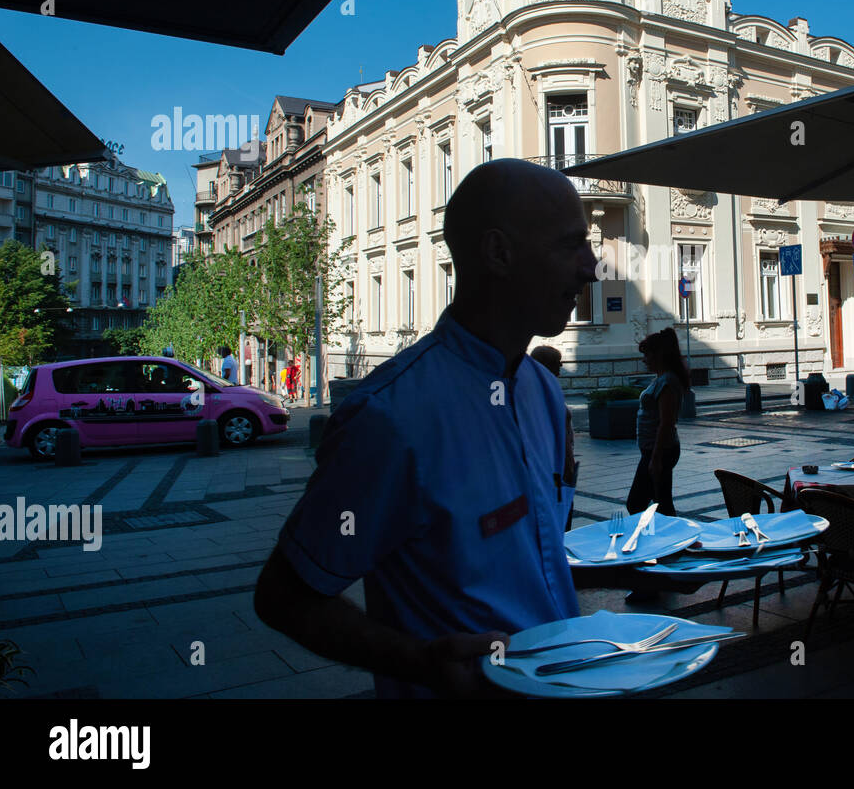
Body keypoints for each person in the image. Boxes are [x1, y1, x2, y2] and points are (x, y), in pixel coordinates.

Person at [253, 160, 597, 698]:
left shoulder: (543, 391)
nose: (591, 268)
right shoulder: (390, 419)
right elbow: (284, 595)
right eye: (571, 244)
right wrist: (418, 661)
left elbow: (533, 559)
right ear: (499, 253)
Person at [627, 328, 689, 518]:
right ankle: (668, 533)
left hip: (660, 450)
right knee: (661, 502)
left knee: (638, 502)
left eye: (647, 355)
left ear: (658, 355)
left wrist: (656, 458)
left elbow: (666, 422)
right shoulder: (662, 379)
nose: (644, 360)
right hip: (656, 449)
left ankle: (666, 533)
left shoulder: (667, 382)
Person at [530, 345, 577, 530]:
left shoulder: (539, 388)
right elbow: (560, 434)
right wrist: (569, 465)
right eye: (557, 362)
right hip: (555, 467)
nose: (561, 366)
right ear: (546, 365)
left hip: (548, 466)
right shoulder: (545, 392)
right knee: (561, 509)